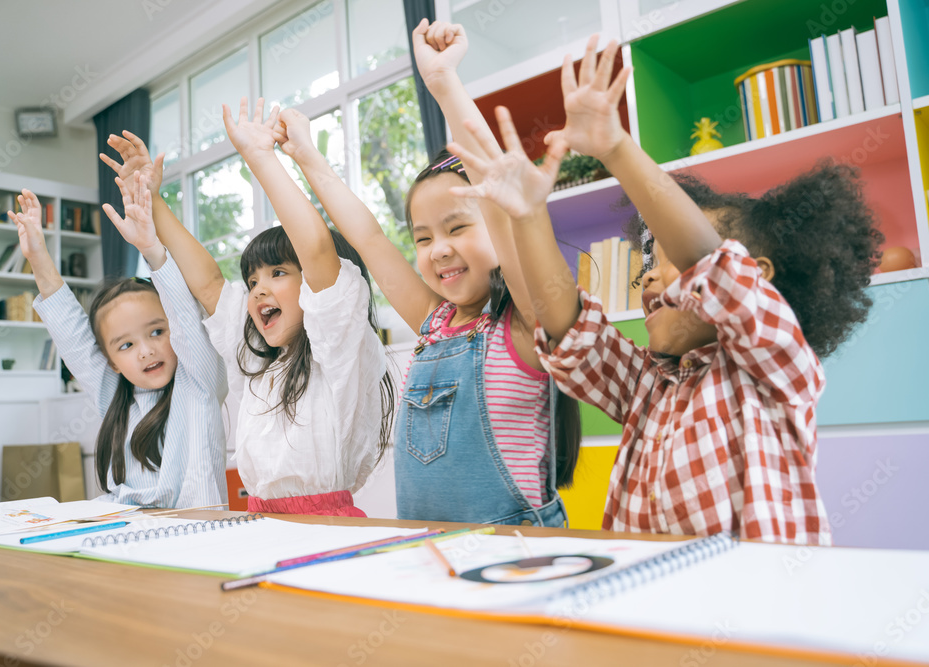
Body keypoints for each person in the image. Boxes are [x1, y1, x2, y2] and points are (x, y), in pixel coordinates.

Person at [446, 34, 882, 545]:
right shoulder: (646, 386)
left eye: (670, 261)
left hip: (761, 614)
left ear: (757, 277)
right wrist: (528, 216)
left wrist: (615, 148)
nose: (649, 276)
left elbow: (712, 267)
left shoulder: (778, 365)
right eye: (650, 261)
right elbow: (566, 329)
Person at [278, 19, 582, 526]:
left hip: (519, 556)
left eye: (457, 227)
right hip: (428, 550)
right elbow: (370, 238)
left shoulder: (528, 323)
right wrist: (307, 158)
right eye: (422, 237)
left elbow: (497, 184)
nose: (438, 249)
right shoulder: (435, 322)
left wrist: (443, 82)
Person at [99, 103, 393, 517]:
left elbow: (317, 251)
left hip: (326, 525)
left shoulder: (340, 347)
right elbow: (209, 284)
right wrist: (153, 200)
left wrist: (261, 158)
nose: (258, 290)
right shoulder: (257, 360)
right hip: (259, 521)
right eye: (253, 280)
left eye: (277, 273)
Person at [11, 177, 227, 507]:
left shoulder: (198, 382)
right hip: (124, 529)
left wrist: (152, 249)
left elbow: (185, 316)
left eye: (157, 331)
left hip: (193, 536)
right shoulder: (115, 393)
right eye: (125, 345)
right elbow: (73, 338)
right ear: (111, 360)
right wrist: (38, 256)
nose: (146, 350)